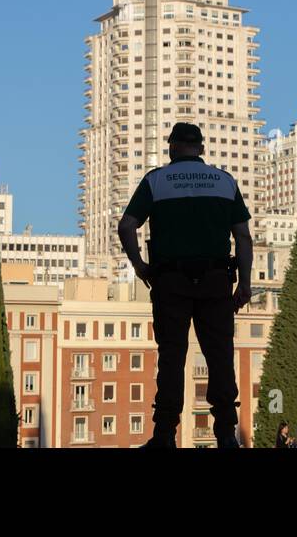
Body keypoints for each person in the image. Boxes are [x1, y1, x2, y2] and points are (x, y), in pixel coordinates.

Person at [118, 123, 253, 448]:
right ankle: (225, 435)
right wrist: (245, 284)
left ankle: (164, 435)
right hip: (215, 283)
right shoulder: (225, 182)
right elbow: (243, 237)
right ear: (201, 148)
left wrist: (139, 265)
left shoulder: (156, 181)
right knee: (220, 356)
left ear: (172, 147)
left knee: (172, 356)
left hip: (171, 283)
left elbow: (127, 225)